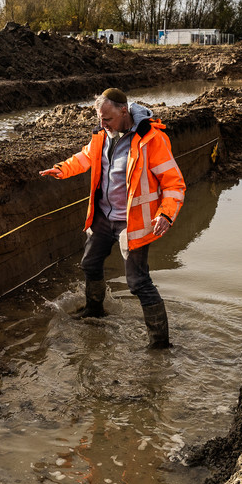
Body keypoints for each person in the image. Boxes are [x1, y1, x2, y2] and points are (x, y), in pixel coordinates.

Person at [40, 88, 185, 348]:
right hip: (103, 218)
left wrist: (166, 213)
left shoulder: (152, 139)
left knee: (139, 282)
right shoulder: (101, 136)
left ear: (124, 111)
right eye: (99, 118)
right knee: (90, 264)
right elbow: (86, 157)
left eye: (107, 119)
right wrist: (62, 169)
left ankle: (160, 343)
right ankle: (95, 311)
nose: (102, 124)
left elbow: (174, 184)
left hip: (133, 224)